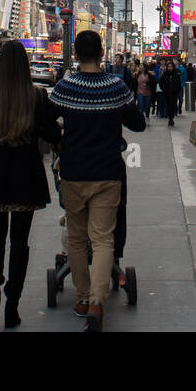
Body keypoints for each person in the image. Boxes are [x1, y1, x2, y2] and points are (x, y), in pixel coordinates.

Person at [46, 29, 146, 332]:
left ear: (76, 54)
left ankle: (83, 296)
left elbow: (43, 119)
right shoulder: (115, 86)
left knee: (76, 238)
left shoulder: (65, 87)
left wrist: (62, 139)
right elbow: (138, 123)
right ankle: (98, 302)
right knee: (104, 239)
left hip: (74, 173)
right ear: (102, 54)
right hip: (107, 173)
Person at [0, 39, 62, 328]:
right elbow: (52, 135)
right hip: (25, 175)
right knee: (20, 242)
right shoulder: (36, 96)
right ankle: (12, 303)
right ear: (25, 65)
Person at [159, 62, 182, 127]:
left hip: (174, 94)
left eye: (171, 66)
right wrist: (163, 89)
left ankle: (171, 118)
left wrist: (176, 90)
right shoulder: (165, 74)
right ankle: (170, 118)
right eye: (169, 66)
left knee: (173, 106)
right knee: (168, 106)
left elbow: (178, 84)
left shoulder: (176, 74)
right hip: (166, 93)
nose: (170, 68)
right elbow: (161, 82)